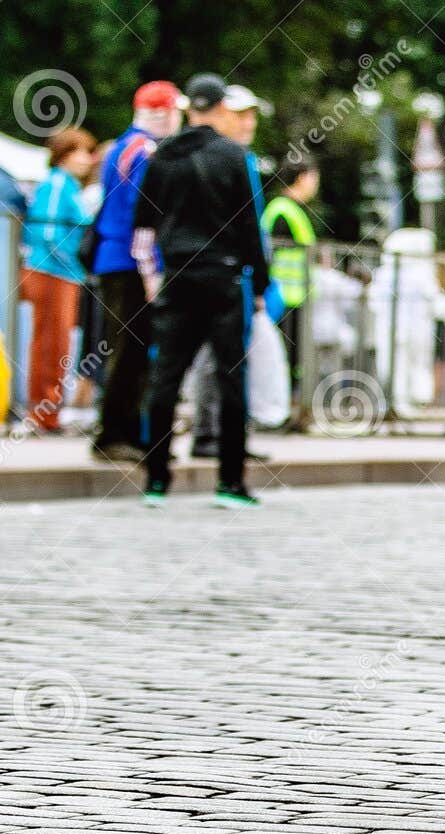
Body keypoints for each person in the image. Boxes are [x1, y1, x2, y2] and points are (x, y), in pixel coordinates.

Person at [133, 73, 271, 509]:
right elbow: (250, 225)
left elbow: (143, 225)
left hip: (176, 275)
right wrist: (261, 281)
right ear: (221, 108)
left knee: (166, 377)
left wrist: (153, 278)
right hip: (223, 275)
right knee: (231, 376)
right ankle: (230, 482)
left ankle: (156, 478)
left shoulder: (161, 158)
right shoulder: (234, 157)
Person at [87, 83, 184, 461]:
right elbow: (142, 216)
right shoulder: (145, 152)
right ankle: (114, 434)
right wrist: (152, 271)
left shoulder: (122, 146)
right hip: (130, 262)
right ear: (163, 113)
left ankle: (127, 432)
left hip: (118, 258)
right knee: (130, 350)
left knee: (132, 349)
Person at [192, 81, 271, 463]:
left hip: (232, 268)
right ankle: (210, 432)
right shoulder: (221, 158)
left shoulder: (242, 158)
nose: (249, 122)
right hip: (218, 268)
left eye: (252, 115)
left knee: (230, 354)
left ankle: (227, 435)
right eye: (241, 114)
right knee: (216, 355)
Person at [20, 128, 97, 433]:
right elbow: (48, 232)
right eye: (80, 152)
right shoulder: (56, 184)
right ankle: (42, 413)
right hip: (52, 272)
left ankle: (47, 412)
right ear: (64, 154)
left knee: (58, 344)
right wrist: (77, 263)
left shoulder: (67, 185)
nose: (86, 159)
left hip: (62, 272)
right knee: (51, 343)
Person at [262, 159, 319, 396]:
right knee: (285, 356)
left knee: (294, 358)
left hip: (294, 297)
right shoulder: (282, 210)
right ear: (302, 177)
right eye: (314, 177)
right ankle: (284, 406)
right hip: (282, 297)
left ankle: (291, 405)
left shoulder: (291, 210)